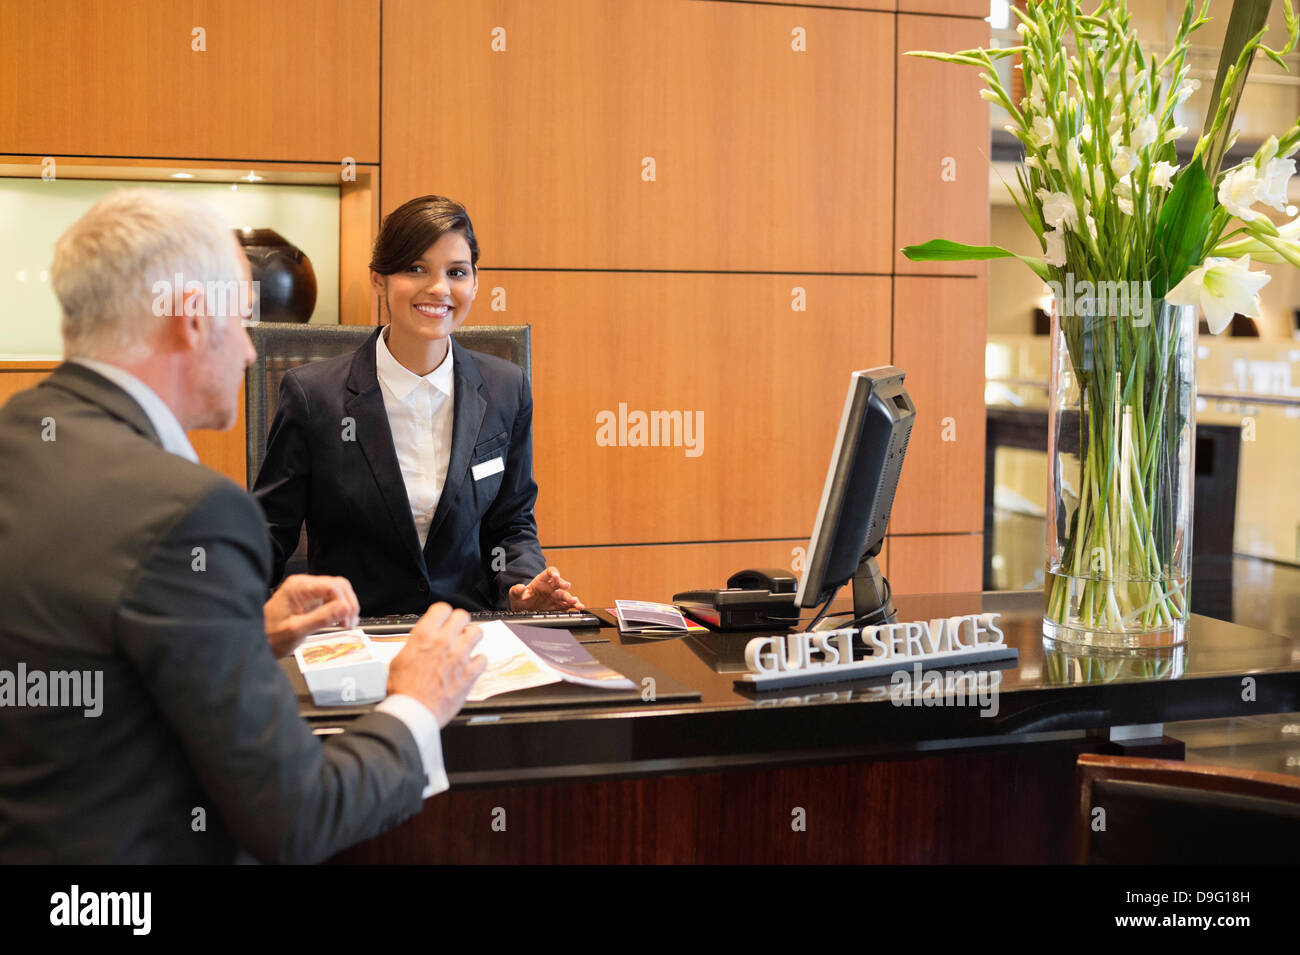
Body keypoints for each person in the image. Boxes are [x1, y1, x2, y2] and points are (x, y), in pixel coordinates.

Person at [0, 188, 486, 863]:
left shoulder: (21, 443)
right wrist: (416, 704)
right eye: (243, 318)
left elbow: (78, 641)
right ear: (193, 321)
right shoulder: (189, 512)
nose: (254, 354)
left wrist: (239, 632)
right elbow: (298, 815)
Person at [253, 195, 583, 615]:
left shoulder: (506, 388)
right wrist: (244, 626)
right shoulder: (313, 395)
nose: (439, 288)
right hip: (355, 635)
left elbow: (511, 522)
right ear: (379, 279)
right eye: (416, 268)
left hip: (469, 632)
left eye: (456, 272)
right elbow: (270, 532)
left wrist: (522, 589)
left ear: (476, 282)